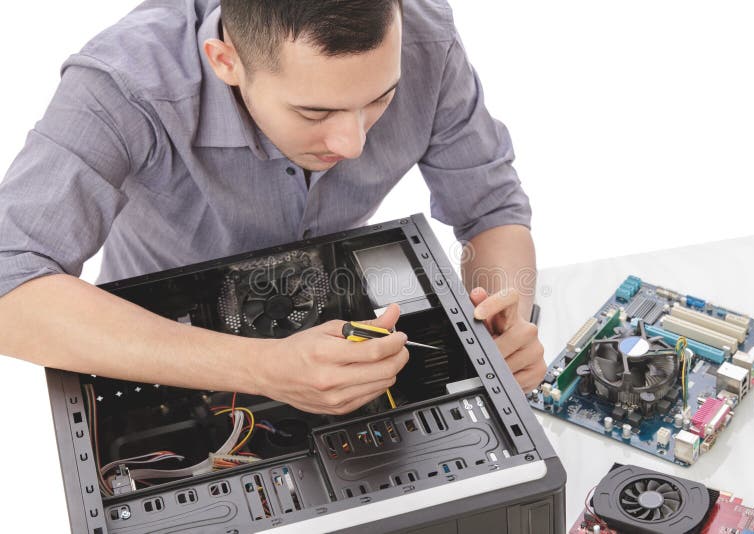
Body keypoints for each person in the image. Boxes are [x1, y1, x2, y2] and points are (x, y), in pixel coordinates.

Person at [0, 0, 544, 415]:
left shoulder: (425, 38)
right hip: (159, 347)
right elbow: (10, 282)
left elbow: (491, 210)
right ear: (226, 61)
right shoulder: (125, 84)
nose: (353, 143)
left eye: (380, 98)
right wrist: (263, 367)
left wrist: (503, 323)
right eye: (314, 113)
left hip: (337, 333)